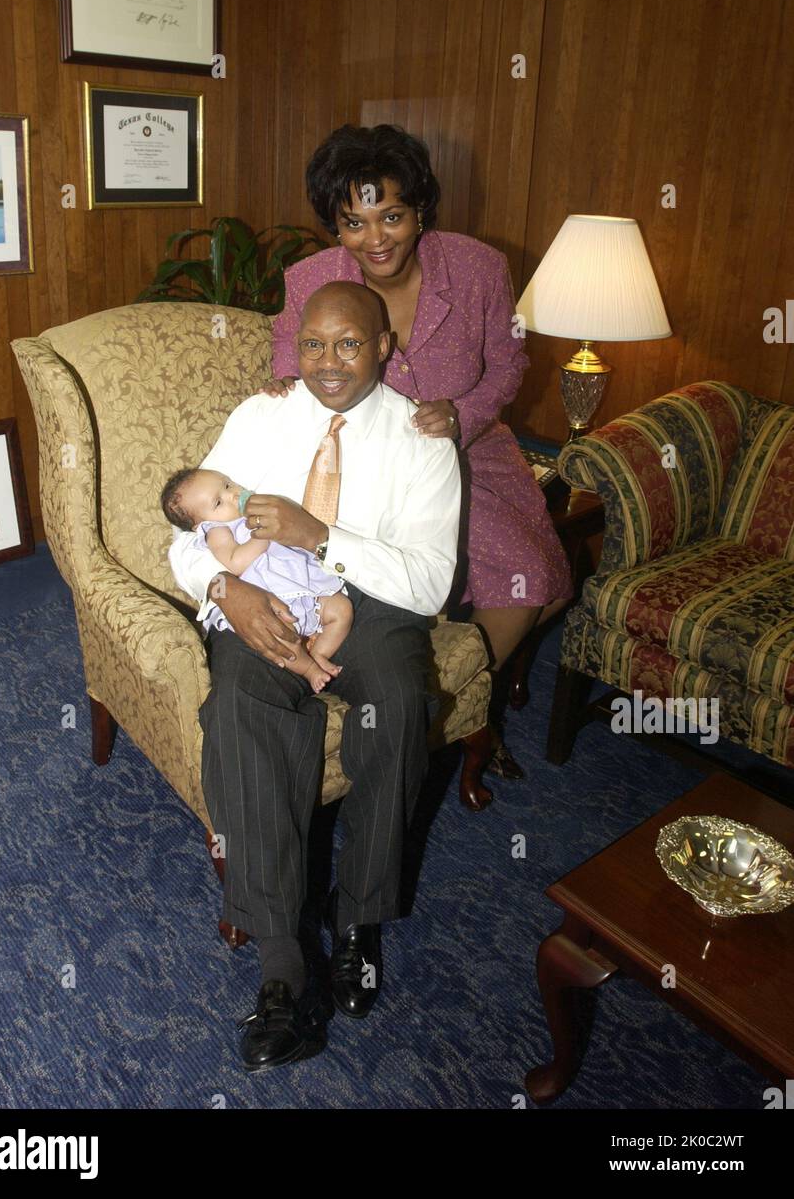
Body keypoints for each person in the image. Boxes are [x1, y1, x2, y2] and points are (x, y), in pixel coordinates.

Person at [169, 281, 460, 1072]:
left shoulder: (424, 438)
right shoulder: (258, 417)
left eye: (350, 344)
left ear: (385, 346)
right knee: (237, 705)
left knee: (399, 704)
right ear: (294, 345)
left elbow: (430, 583)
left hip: (371, 604)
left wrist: (321, 538)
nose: (328, 363)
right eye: (314, 344)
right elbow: (191, 534)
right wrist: (225, 586)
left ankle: (359, 920)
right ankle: (281, 963)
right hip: (259, 591)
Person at [265, 124, 573, 779]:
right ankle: (417, 711)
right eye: (353, 222)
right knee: (374, 572)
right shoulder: (308, 282)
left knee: (527, 573)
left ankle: (448, 707)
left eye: (392, 216)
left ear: (419, 211)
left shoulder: (479, 268)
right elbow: (290, 375)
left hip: (467, 452)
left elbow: (507, 367)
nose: (375, 239)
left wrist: (462, 414)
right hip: (362, 460)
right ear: (334, 228)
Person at [160, 465, 353, 692]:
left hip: (301, 585)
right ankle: (309, 669)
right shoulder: (217, 531)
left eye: (227, 484)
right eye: (218, 502)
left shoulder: (255, 509)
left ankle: (319, 653)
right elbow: (234, 561)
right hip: (271, 600)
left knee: (342, 609)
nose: (232, 494)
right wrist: (261, 536)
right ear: (200, 524)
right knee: (280, 641)